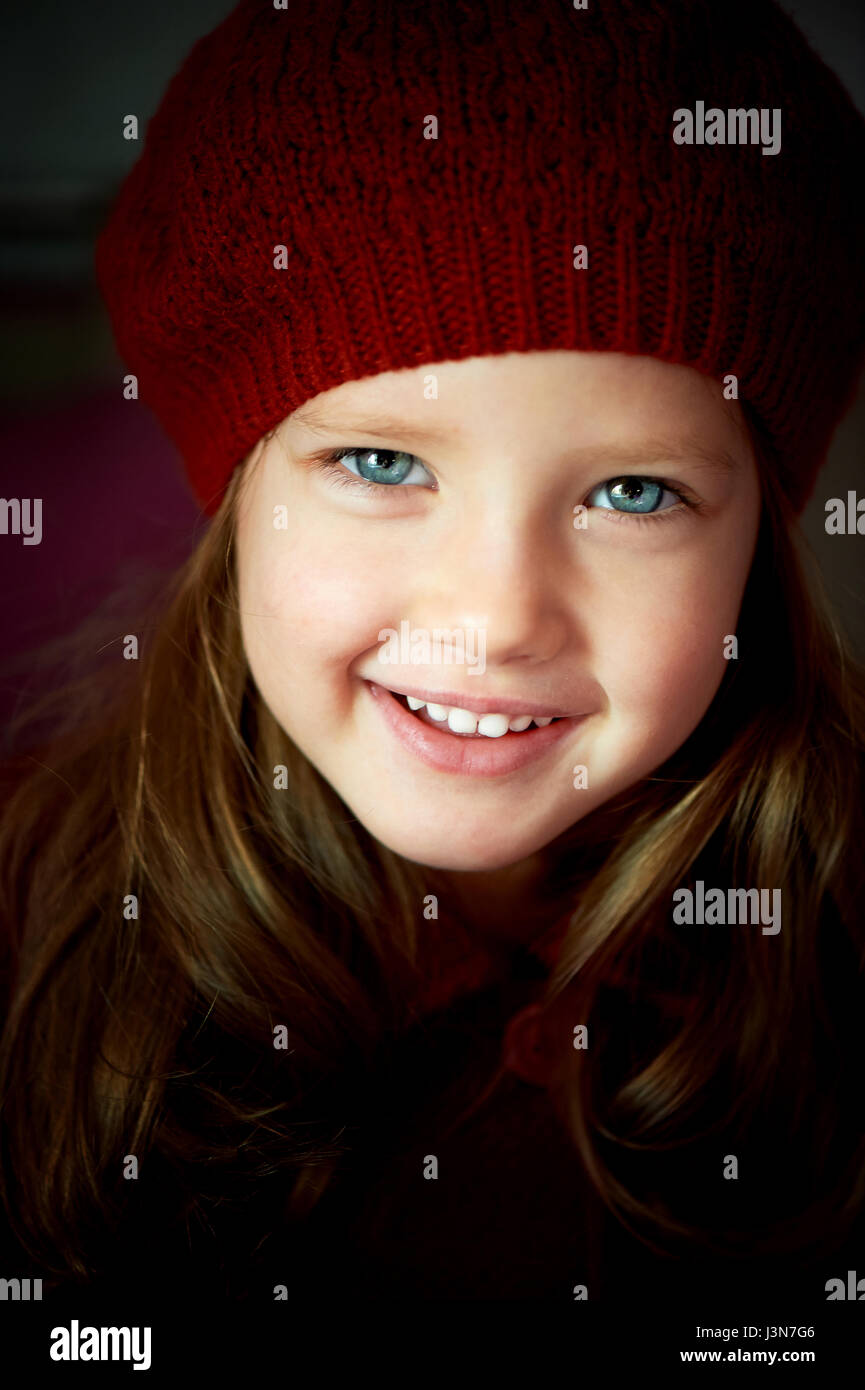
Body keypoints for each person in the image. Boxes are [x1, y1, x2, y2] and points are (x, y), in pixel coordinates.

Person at [1, 0, 863, 1307]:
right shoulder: (33, 942)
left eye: (631, 493)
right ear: (236, 499)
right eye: (382, 462)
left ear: (759, 536)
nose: (499, 612)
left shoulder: (840, 951)